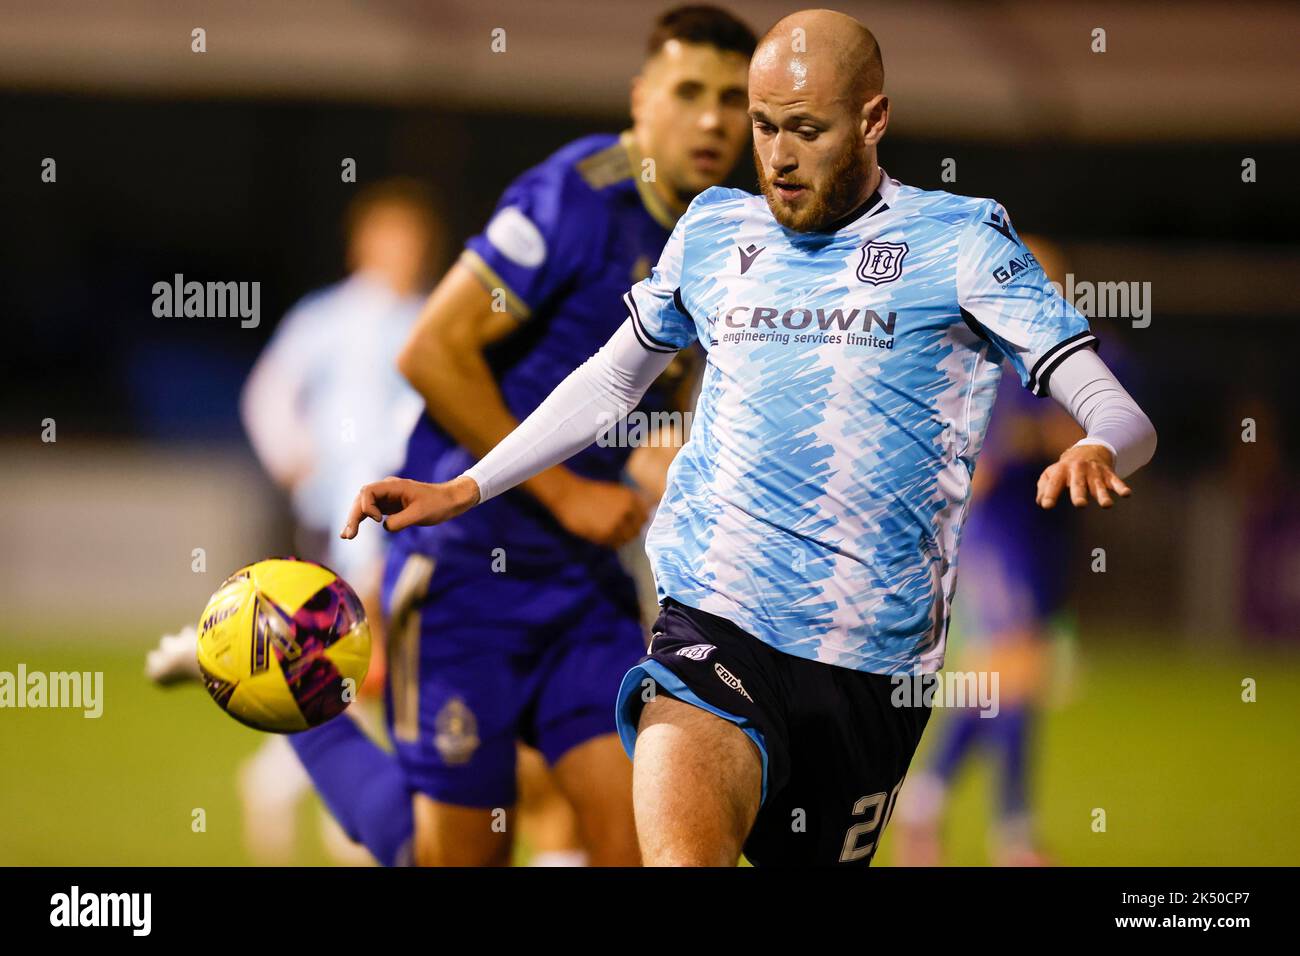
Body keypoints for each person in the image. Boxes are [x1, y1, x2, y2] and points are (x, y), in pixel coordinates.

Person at [341, 9, 1157, 867]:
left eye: (807, 128)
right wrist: (467, 487)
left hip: (870, 664)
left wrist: (1099, 442)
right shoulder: (715, 230)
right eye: (765, 126)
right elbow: (613, 378)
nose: (776, 153)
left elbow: (1117, 408)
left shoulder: (959, 242)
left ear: (873, 120)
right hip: (713, 626)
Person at [298, 5, 755, 867]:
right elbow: (431, 350)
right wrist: (565, 490)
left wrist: (670, 464)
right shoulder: (573, 199)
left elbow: (666, 408)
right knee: (458, 857)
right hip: (467, 567)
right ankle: (310, 720)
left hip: (584, 590)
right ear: (642, 97)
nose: (711, 119)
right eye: (689, 90)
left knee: (648, 844)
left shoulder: (724, 240)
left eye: (734, 99)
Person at [148, 178, 441, 864]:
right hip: (343, 525)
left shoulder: (431, 316)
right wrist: (293, 457)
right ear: (363, 242)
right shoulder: (329, 319)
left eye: (414, 240)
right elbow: (269, 391)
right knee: (359, 671)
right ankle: (336, 815)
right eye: (392, 238)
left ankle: (304, 794)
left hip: (410, 523)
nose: (405, 252)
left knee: (364, 680)